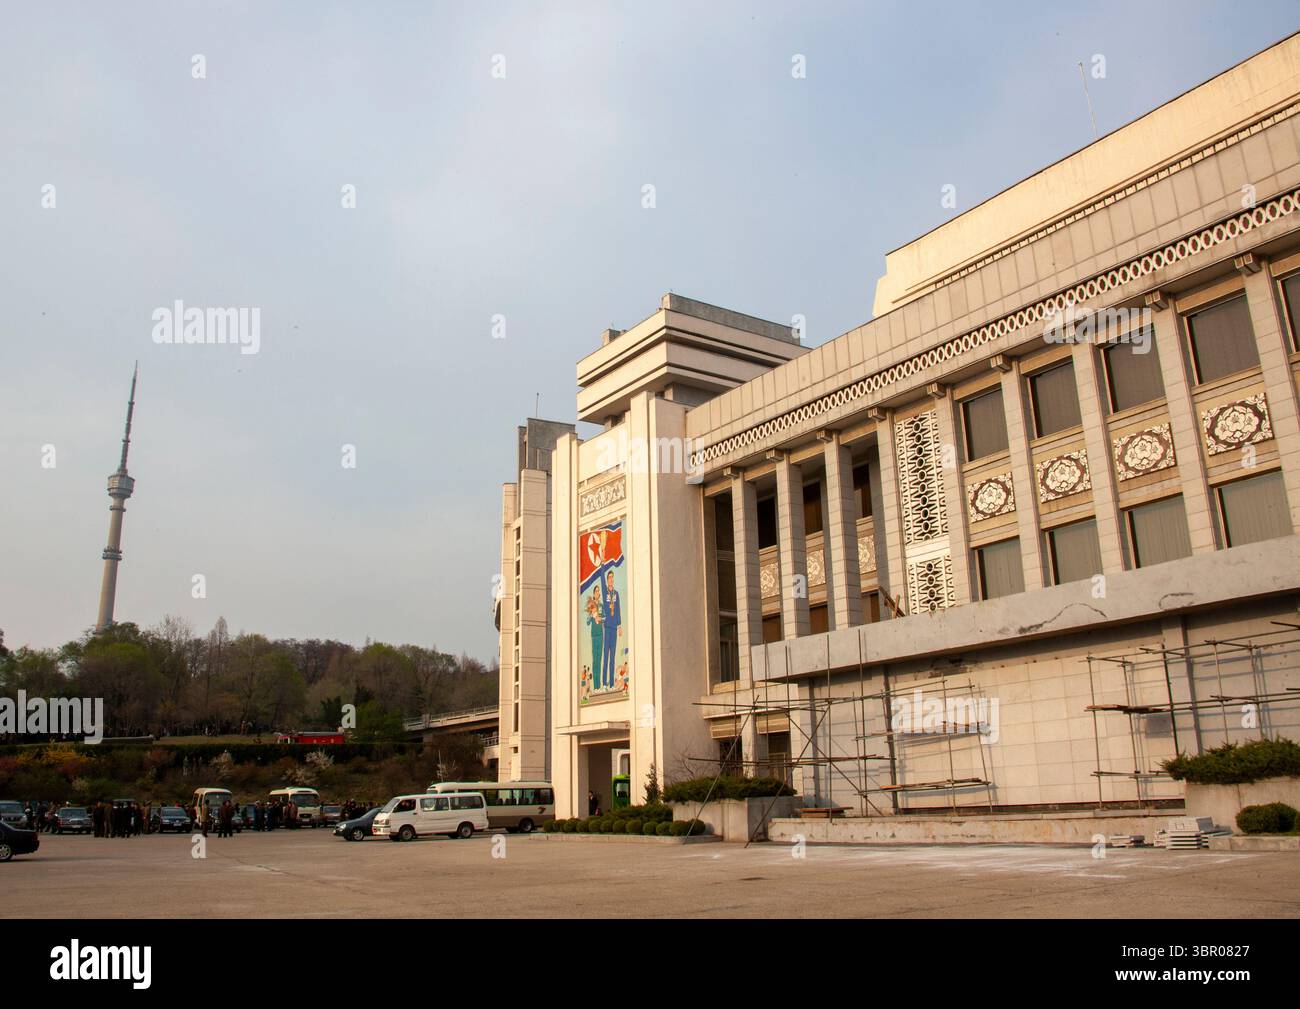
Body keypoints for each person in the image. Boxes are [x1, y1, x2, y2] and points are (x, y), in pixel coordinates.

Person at [601, 570, 622, 688]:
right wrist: (602, 565)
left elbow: (618, 610)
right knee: (606, 656)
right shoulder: (605, 592)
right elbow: (601, 577)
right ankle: (604, 683)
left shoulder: (616, 593)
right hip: (607, 627)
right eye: (609, 577)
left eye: (612, 577)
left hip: (614, 628)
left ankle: (612, 684)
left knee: (613, 657)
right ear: (607, 579)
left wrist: (619, 626)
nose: (610, 579)